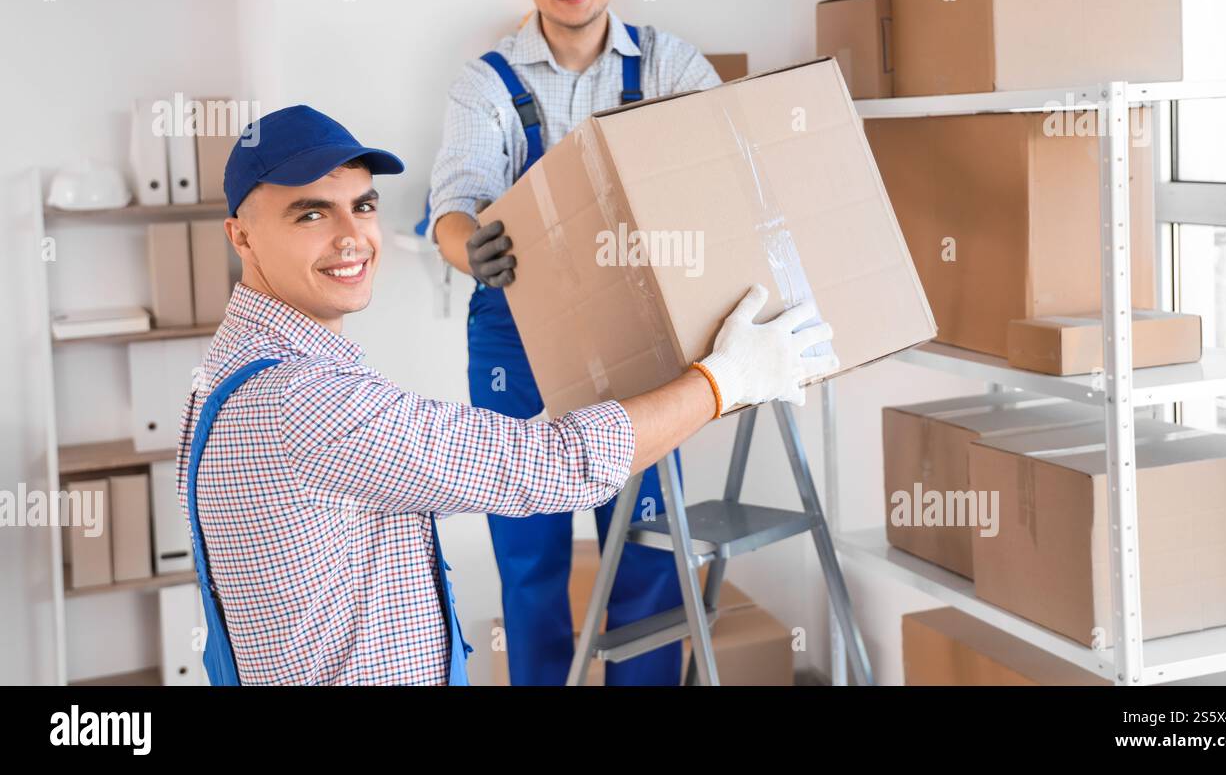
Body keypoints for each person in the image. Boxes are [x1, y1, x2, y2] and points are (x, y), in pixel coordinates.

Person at [176, 104, 836, 685]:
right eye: (311, 213)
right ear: (241, 235)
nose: (352, 236)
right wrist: (724, 382)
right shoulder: (303, 398)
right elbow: (551, 466)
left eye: (364, 205)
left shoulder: (226, 373)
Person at [421, 0, 730, 685]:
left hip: (638, 331)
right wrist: (469, 249)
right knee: (530, 558)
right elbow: (452, 204)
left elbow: (722, 164)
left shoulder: (668, 64)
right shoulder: (484, 84)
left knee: (649, 548)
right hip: (516, 336)